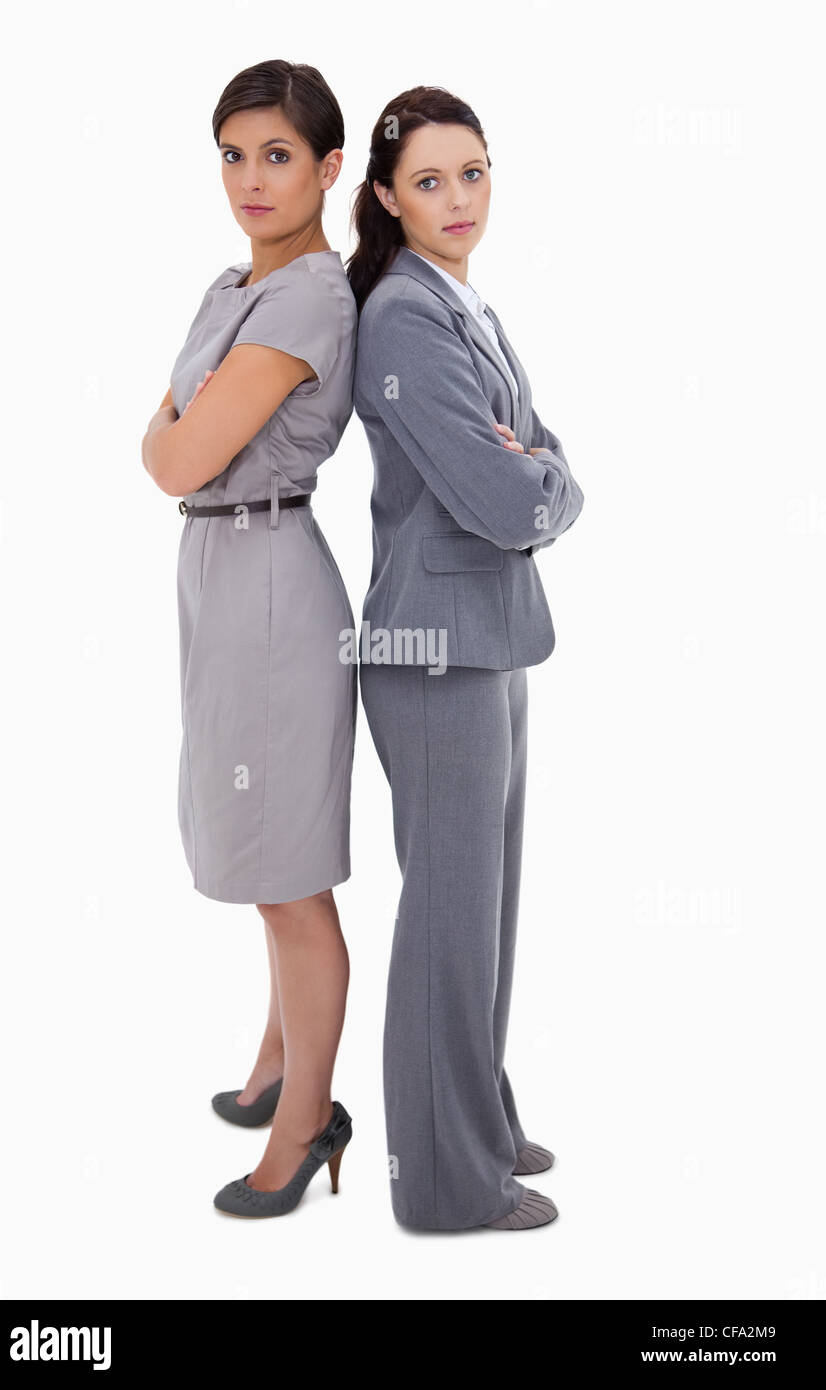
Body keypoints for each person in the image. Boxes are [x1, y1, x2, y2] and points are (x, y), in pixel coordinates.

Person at [346, 86, 585, 1231]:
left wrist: (541, 473)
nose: (456, 199)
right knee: (448, 914)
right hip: (432, 645)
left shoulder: (461, 302)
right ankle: (442, 1181)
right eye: (430, 180)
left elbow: (545, 451)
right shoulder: (400, 315)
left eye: (473, 172)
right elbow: (504, 488)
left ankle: (475, 1124)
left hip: (488, 632)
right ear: (387, 196)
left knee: (483, 909)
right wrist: (538, 479)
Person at [141, 60, 356, 1218]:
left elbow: (171, 451)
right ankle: (278, 1057)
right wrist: (180, 426)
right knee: (256, 837)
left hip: (271, 578)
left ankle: (305, 1116)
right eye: (232, 154)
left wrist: (181, 424)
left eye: (277, 155)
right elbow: (168, 438)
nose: (250, 179)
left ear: (329, 169)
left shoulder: (313, 294)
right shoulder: (234, 281)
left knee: (288, 872)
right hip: (218, 568)